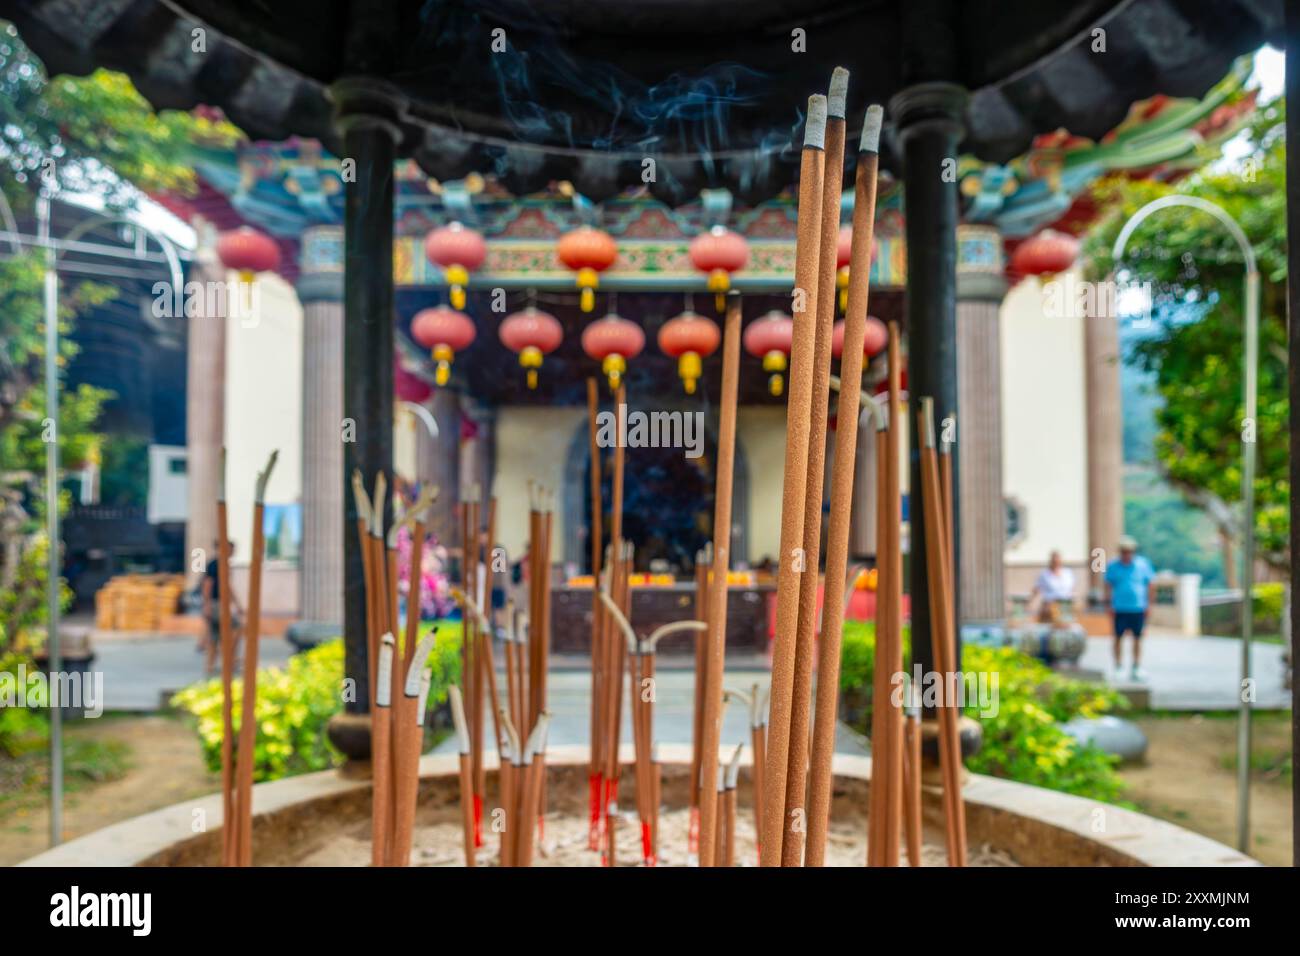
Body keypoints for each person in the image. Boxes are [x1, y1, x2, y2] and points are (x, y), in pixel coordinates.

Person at [1103, 535, 1155, 682]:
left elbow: (1150, 585)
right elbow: (1107, 586)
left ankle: (1136, 666)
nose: (1127, 554)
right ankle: (1118, 666)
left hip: (1138, 608)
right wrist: (1108, 605)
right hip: (1119, 608)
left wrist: (1149, 605)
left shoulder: (1143, 564)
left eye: (1129, 551)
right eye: (1124, 551)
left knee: (1137, 638)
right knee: (1118, 638)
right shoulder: (1113, 566)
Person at [200, 540, 243, 677]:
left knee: (215, 635)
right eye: (230, 549)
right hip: (215, 604)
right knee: (235, 627)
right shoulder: (215, 564)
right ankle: (229, 660)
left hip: (218, 604)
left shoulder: (223, 564)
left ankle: (212, 665)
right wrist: (206, 604)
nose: (232, 552)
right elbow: (207, 584)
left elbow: (228, 587)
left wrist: (237, 604)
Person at [1031, 550, 1076, 623]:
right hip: (1050, 606)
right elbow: (1037, 589)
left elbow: (1072, 589)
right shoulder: (1045, 574)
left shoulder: (1067, 573)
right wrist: (1029, 603)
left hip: (1066, 605)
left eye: (1058, 560)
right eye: (1054, 561)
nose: (1056, 563)